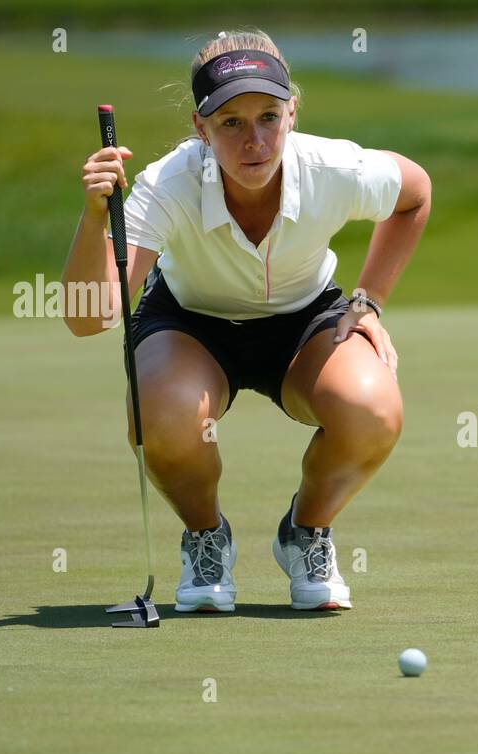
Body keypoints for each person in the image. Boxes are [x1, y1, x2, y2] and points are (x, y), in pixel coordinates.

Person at [60, 29, 431, 612]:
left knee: (373, 408)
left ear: (292, 112)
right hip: (191, 324)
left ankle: (305, 534)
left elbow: (416, 195)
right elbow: (91, 319)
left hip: (304, 321)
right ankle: (206, 538)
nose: (254, 140)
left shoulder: (333, 167)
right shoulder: (167, 185)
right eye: (230, 123)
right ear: (200, 128)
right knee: (167, 413)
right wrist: (91, 217)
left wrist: (368, 300)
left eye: (268, 116)